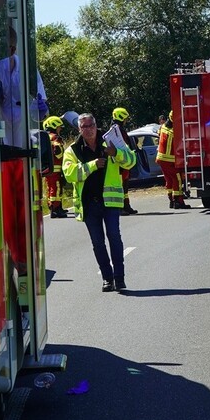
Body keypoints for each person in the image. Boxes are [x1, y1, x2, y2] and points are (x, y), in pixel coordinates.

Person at [62, 113, 137, 292]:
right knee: (98, 243)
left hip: (110, 202)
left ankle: (119, 278)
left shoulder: (110, 141)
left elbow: (131, 162)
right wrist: (93, 165)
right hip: (89, 204)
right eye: (84, 127)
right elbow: (69, 174)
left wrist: (117, 153)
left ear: (96, 125)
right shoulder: (73, 150)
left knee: (114, 238)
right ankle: (107, 278)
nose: (88, 130)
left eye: (91, 126)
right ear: (79, 129)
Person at [0, 26, 48, 147]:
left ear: (12, 49)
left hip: (24, 131)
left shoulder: (28, 69)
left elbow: (41, 105)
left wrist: (41, 110)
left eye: (2, 48)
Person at [156, 111, 190, 210]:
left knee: (169, 180)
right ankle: (178, 201)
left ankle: (171, 201)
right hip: (169, 160)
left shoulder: (162, 127)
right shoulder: (174, 132)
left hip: (160, 159)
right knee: (177, 179)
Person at [110, 107, 138, 215]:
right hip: (119, 162)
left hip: (123, 160)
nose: (126, 121)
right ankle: (120, 207)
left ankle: (126, 205)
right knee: (121, 186)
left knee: (125, 185)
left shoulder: (118, 129)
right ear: (121, 118)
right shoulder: (116, 130)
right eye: (125, 118)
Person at [42, 116, 68, 218]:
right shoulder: (55, 137)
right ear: (54, 126)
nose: (60, 129)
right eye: (59, 127)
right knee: (56, 188)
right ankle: (56, 209)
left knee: (51, 187)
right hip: (56, 167)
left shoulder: (45, 137)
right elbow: (58, 152)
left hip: (47, 167)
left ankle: (55, 207)